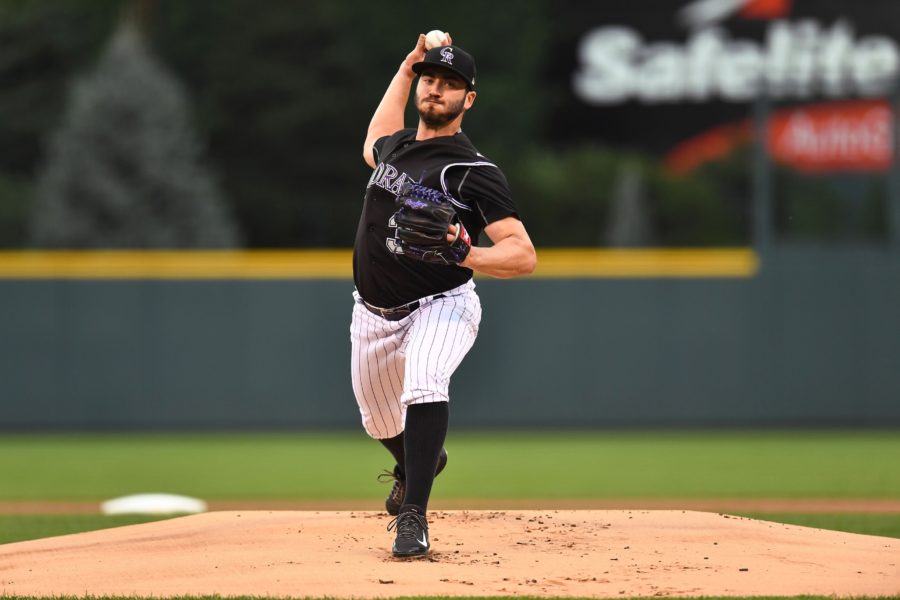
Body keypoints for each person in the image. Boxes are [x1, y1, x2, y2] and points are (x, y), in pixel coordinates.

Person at [350, 33, 537, 558]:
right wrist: (405, 67)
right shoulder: (397, 146)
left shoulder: (474, 171)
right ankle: (423, 460)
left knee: (425, 383)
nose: (436, 89)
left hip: (441, 303)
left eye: (449, 84)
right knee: (378, 421)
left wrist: (465, 253)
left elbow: (522, 254)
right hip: (372, 312)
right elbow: (373, 139)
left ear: (467, 99)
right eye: (430, 79)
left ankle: (413, 517)